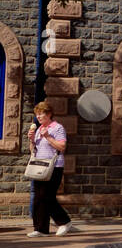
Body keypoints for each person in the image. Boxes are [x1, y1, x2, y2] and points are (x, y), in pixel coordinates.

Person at [27, 101, 73, 237]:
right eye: (37, 114)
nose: (39, 117)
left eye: (41, 114)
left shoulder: (57, 128)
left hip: (54, 166)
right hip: (39, 166)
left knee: (47, 196)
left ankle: (64, 222)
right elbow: (33, 150)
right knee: (38, 198)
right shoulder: (38, 129)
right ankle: (40, 229)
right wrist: (31, 140)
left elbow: (62, 147)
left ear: (49, 114)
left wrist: (47, 136)